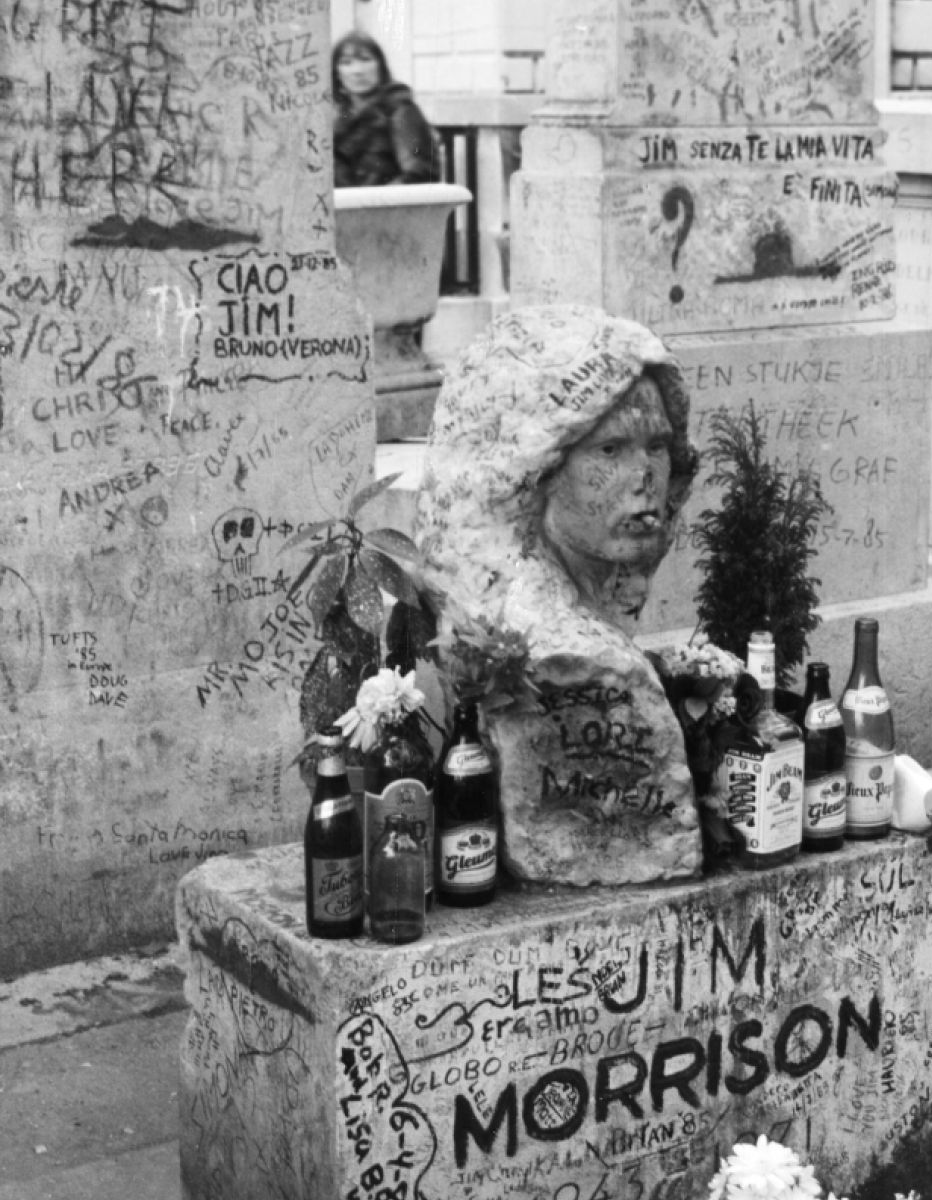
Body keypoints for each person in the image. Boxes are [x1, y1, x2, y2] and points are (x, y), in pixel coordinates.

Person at [415, 305, 704, 886]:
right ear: (538, 472)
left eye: (657, 446)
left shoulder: (586, 619)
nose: (644, 474)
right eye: (610, 450)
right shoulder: (545, 646)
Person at [331, 32, 439, 187]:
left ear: (380, 66)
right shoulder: (336, 116)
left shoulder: (399, 110)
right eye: (346, 63)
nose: (357, 71)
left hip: (385, 206)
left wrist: (373, 202)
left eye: (365, 60)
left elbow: (419, 172)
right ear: (337, 73)